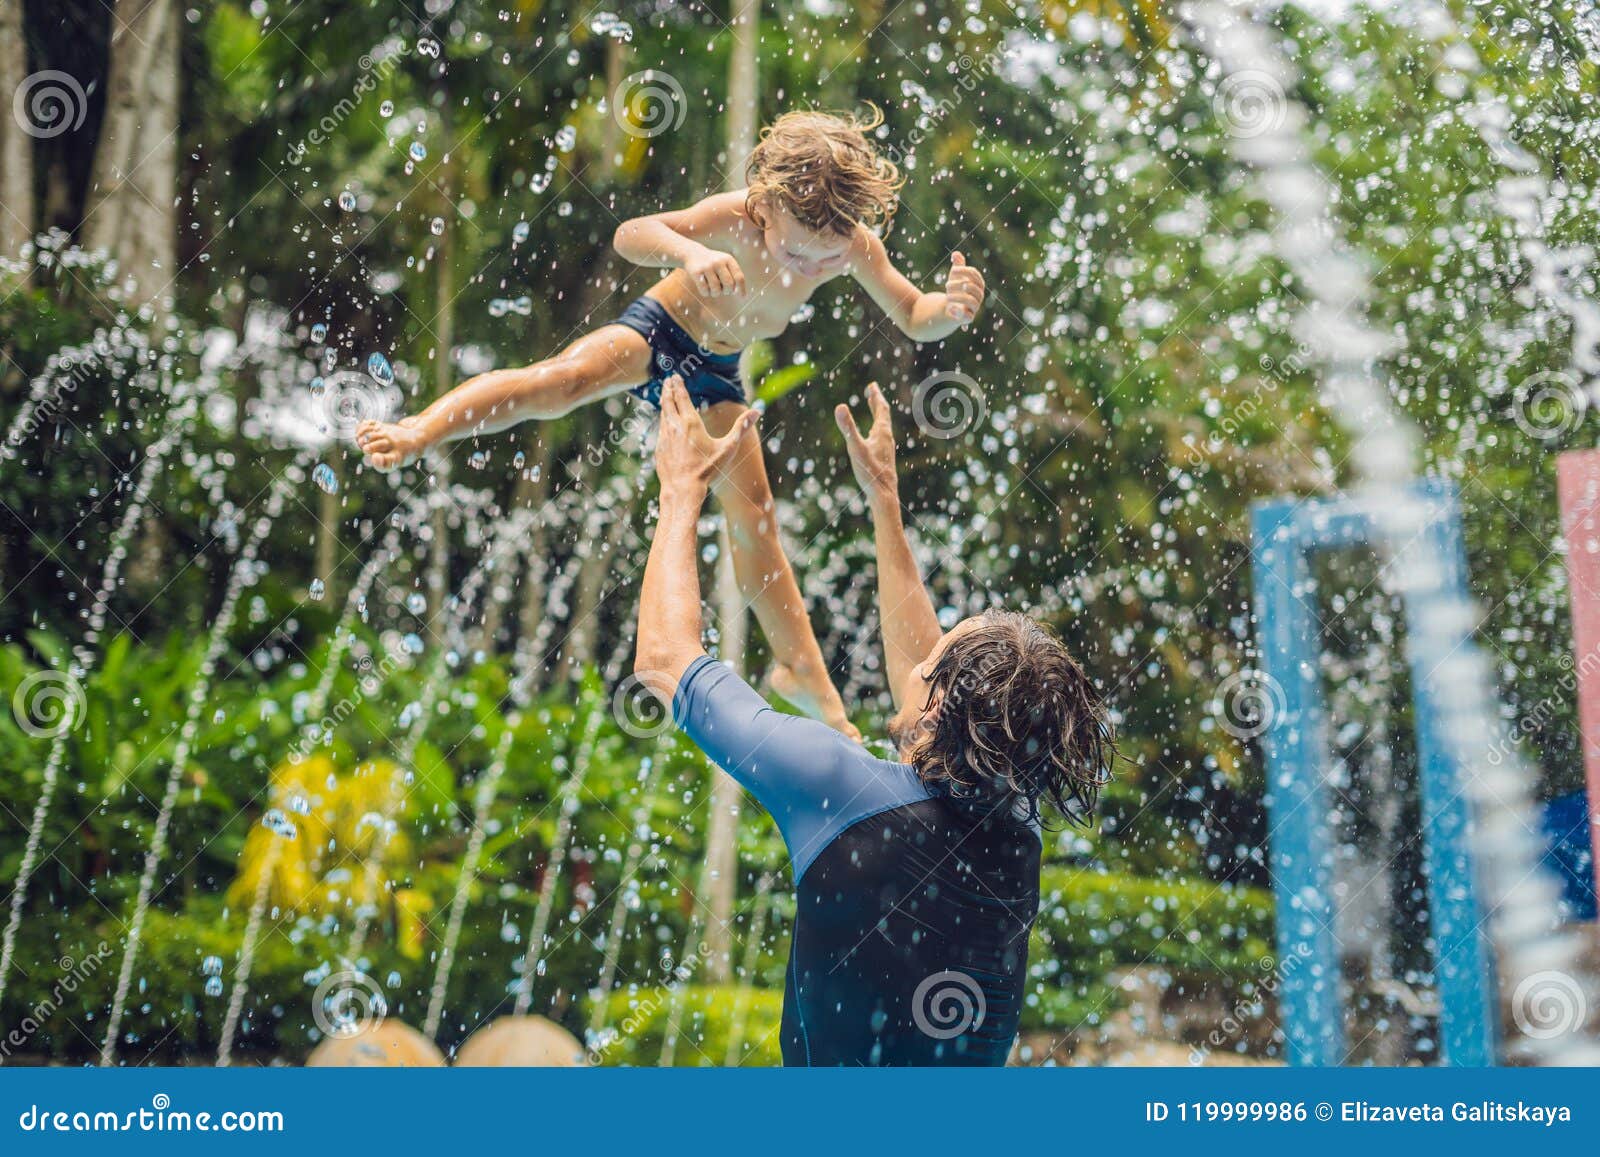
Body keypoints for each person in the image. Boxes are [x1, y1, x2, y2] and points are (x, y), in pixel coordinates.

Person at [356, 108, 984, 738]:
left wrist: (949, 310)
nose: (810, 269)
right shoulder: (729, 218)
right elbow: (631, 234)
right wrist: (689, 251)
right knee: (560, 381)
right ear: (764, 208)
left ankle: (803, 674)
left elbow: (912, 312)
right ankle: (422, 430)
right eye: (797, 252)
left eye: (825, 261)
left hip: (720, 375)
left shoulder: (849, 244)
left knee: (757, 518)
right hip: (660, 332)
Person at [634, 375, 1114, 1066]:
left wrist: (679, 492)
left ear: (944, 703)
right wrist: (883, 501)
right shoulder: (1018, 823)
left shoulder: (834, 782)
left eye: (938, 657)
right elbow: (934, 689)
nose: (918, 662)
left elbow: (664, 658)